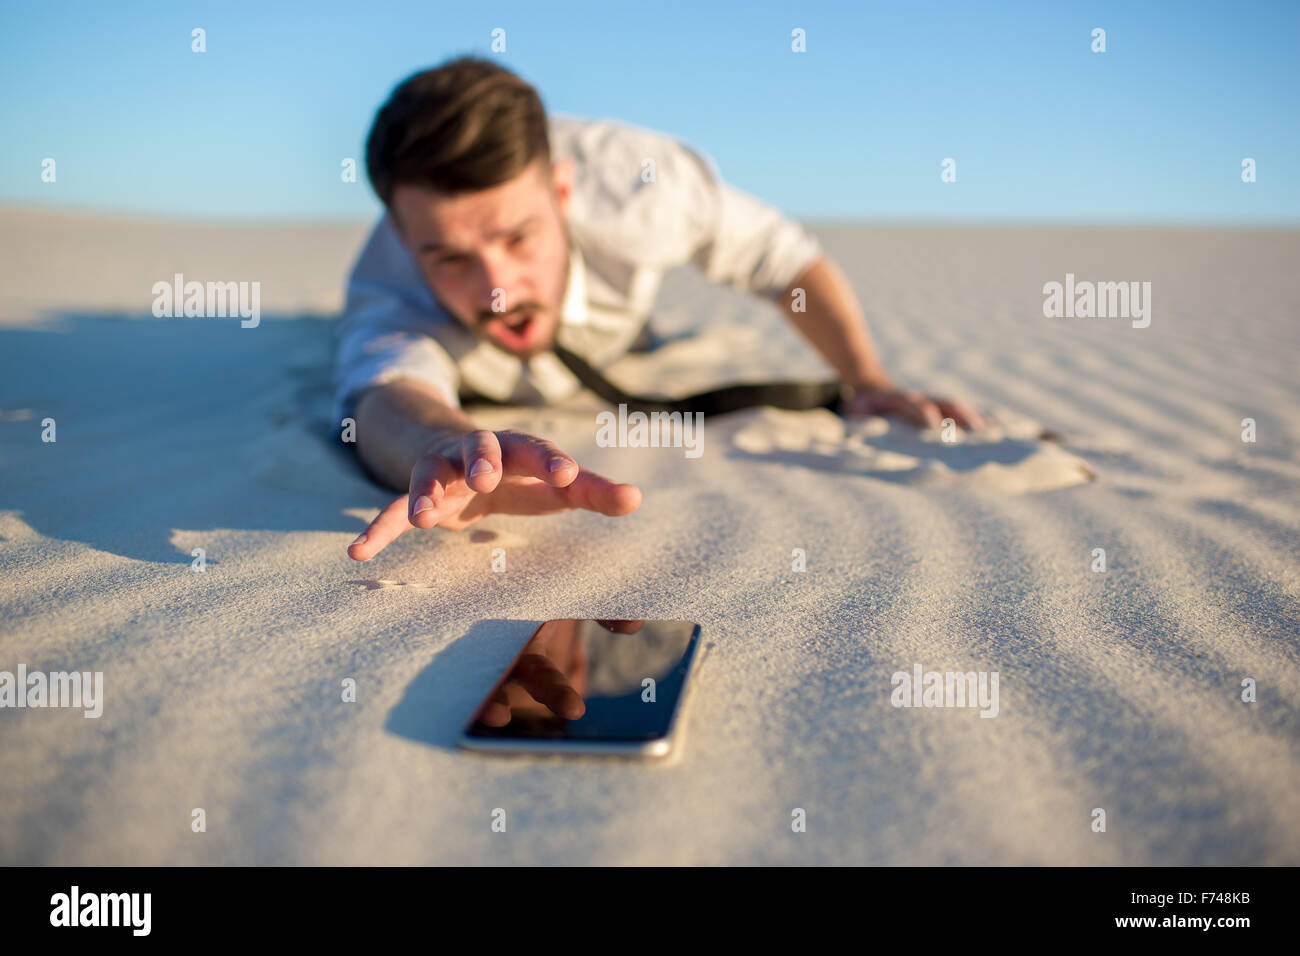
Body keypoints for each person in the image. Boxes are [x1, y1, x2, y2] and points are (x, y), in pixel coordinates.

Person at [337, 56, 983, 561]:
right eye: (450, 259)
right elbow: (385, 398)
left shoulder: (644, 189)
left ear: (563, 192)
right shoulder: (388, 279)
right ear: (402, 239)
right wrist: (442, 445)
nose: (496, 285)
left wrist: (867, 379)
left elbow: (784, 262)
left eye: (517, 238)